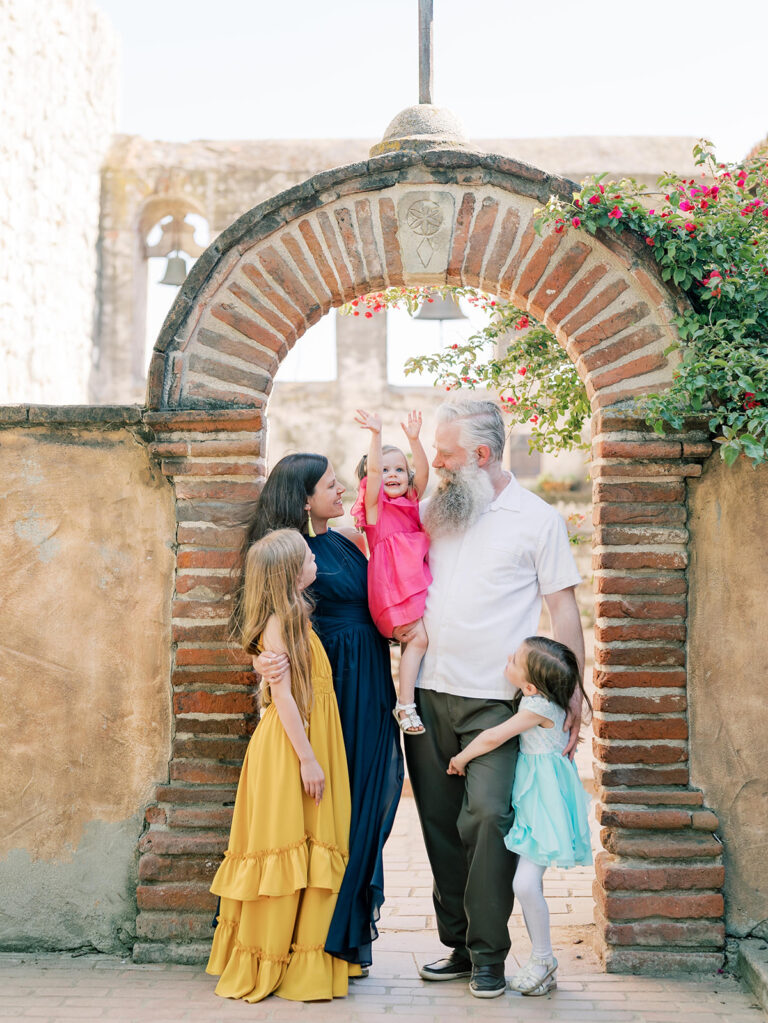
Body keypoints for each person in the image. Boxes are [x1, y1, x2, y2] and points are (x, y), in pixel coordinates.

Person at [400, 399, 585, 999]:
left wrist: (571, 694)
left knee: (486, 818)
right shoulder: (436, 509)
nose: (437, 463)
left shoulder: (537, 519)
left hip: (499, 704)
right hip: (427, 694)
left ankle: (488, 954)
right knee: (438, 824)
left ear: (481, 455)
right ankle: (459, 947)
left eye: (446, 453)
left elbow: (563, 609)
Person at [241, 454, 403, 973]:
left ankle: (346, 933)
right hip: (333, 685)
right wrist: (261, 658)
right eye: (331, 485)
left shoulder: (345, 540)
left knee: (370, 794)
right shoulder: (289, 550)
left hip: (370, 678)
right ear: (304, 499)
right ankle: (322, 939)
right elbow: (264, 613)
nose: (342, 491)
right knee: (337, 804)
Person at [206, 529, 354, 1002]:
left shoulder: (295, 613)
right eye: (309, 557)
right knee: (285, 847)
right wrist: (308, 759)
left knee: (312, 845)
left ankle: (305, 958)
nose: (316, 560)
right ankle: (273, 959)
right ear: (291, 572)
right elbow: (283, 697)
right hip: (293, 746)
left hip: (311, 736)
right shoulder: (279, 622)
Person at [447, 636, 592, 997]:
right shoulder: (541, 698)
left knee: (525, 884)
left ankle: (543, 960)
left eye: (515, 661)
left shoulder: (537, 707)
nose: (508, 658)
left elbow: (493, 737)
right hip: (537, 800)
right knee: (526, 883)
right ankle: (543, 962)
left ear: (530, 687)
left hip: (544, 806)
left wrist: (461, 759)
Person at [351, 408, 431, 735]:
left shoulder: (410, 501)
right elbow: (373, 472)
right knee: (419, 639)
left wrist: (415, 440)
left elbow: (423, 473)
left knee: (423, 638)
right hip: (392, 588)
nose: (393, 474)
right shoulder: (375, 509)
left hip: (414, 583)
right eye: (385, 470)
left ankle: (411, 701)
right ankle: (405, 705)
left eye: (399, 469)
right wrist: (376, 435)